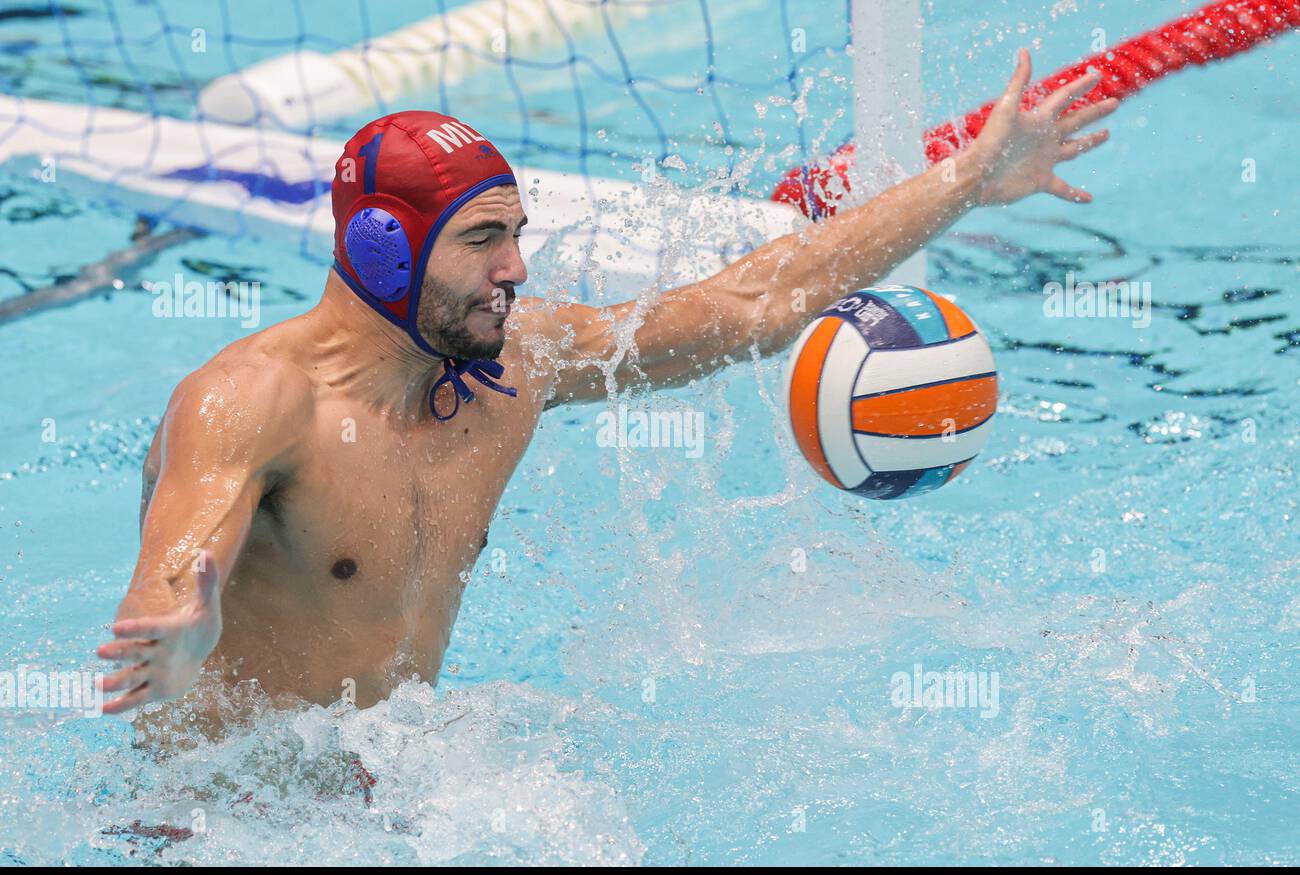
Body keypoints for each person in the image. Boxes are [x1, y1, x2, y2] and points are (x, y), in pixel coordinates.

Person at [98, 50, 1116, 736]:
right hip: (223, 823)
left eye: (518, 234)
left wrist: (966, 183)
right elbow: (173, 585)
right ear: (381, 248)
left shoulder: (517, 367)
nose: (516, 270)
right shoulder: (252, 399)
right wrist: (180, 641)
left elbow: (760, 301)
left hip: (394, 798)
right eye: (483, 239)